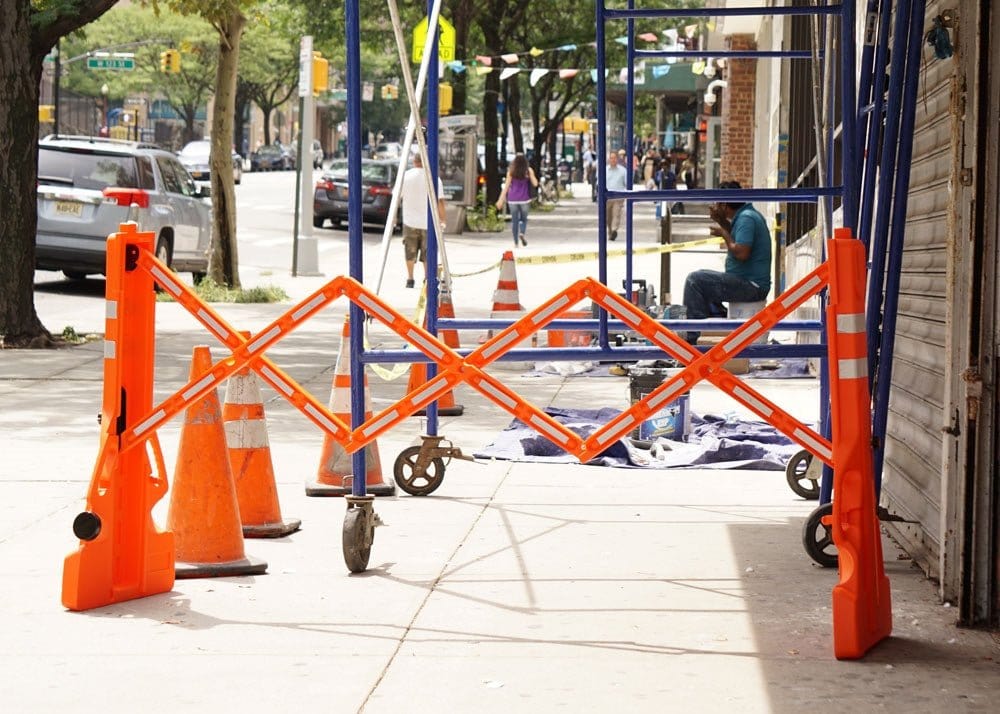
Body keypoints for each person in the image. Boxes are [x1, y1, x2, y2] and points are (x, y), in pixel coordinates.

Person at [682, 180, 771, 344]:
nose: (715, 205)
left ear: (724, 204)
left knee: (695, 281)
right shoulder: (745, 216)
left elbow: (742, 253)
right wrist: (721, 222)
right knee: (705, 286)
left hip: (751, 286)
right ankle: (714, 334)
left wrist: (723, 233)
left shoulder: (746, 218)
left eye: (718, 202)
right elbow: (737, 237)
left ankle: (694, 342)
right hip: (746, 282)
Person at [401, 153, 447, 288]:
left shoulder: (406, 176)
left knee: (410, 251)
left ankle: (410, 278)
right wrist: (443, 219)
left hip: (409, 221)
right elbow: (440, 202)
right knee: (428, 252)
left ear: (414, 162)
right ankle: (426, 278)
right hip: (429, 222)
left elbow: (399, 196)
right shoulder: (434, 179)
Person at [495, 153, 538, 247]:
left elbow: (506, 187)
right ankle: (522, 233)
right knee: (523, 219)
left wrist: (500, 200)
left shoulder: (511, 171)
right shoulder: (528, 171)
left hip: (512, 199)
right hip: (525, 199)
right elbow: (535, 184)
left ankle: (516, 243)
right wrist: (531, 175)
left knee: (514, 221)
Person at [605, 150, 628, 241]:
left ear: (617, 159)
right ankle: (610, 231)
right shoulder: (605, 170)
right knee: (608, 217)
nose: (613, 160)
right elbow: (599, 183)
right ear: (609, 159)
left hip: (618, 197)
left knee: (616, 214)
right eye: (611, 158)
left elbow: (626, 183)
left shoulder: (623, 171)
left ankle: (614, 230)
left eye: (614, 158)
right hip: (607, 197)